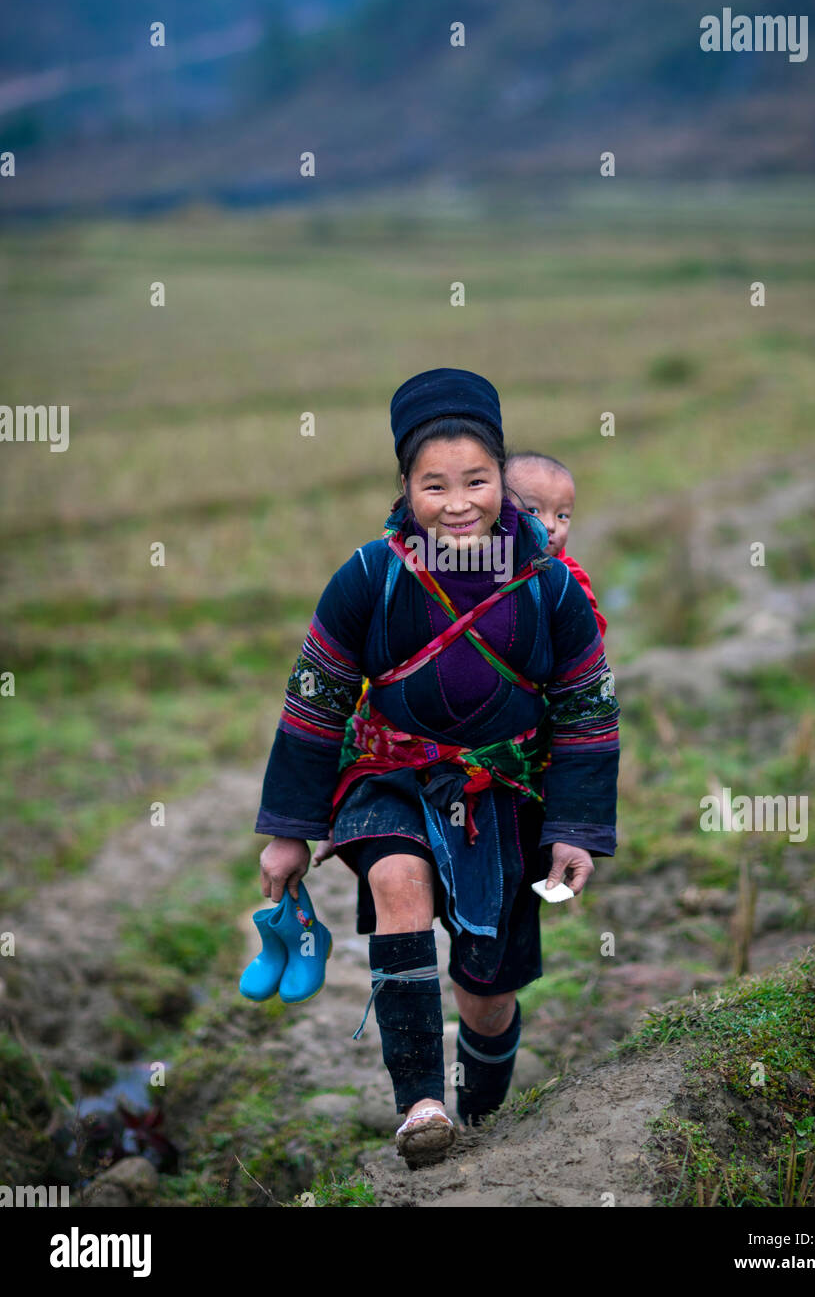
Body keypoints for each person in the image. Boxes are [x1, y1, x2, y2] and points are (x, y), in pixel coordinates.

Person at [255, 367, 620, 1168]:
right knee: (397, 884)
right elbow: (314, 700)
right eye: (434, 485)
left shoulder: (551, 587)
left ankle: (483, 1122)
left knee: (486, 992)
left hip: (503, 795)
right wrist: (288, 831)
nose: (457, 503)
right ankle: (418, 1103)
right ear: (405, 487)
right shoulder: (367, 576)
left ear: (502, 482)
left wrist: (574, 830)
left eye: (477, 481)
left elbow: (588, 712)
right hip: (387, 774)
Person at [505, 452, 608, 639]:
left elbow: (591, 635)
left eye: (562, 516)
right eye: (533, 510)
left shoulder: (569, 577)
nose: (550, 525)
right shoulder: (481, 562)